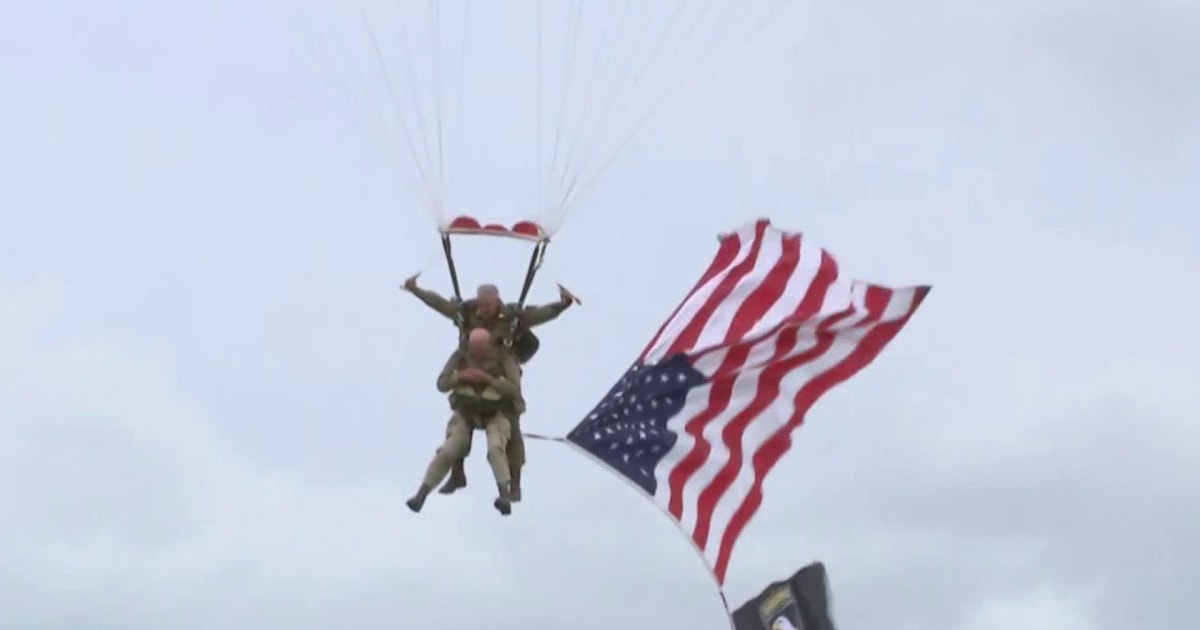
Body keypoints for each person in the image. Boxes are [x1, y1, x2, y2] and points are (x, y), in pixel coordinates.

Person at [402, 276, 576, 501]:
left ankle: (514, 485)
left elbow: (537, 316)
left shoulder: (510, 318)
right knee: (459, 421)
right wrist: (415, 289)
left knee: (511, 426)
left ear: (496, 302)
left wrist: (562, 305)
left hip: (501, 365)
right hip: (470, 360)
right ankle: (456, 474)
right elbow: (441, 305)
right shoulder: (467, 312)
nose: (482, 309)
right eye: (480, 304)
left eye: (487, 305)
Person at [406, 327, 522, 516]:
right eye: (474, 349)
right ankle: (421, 494)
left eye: (481, 349)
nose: (477, 354)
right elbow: (441, 384)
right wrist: (460, 376)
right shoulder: (460, 357)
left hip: (496, 414)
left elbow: (514, 390)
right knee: (448, 450)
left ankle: (505, 495)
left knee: (495, 449)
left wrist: (488, 379)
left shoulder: (504, 359)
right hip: (465, 413)